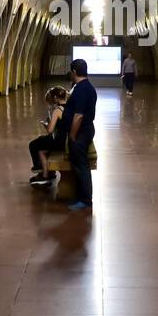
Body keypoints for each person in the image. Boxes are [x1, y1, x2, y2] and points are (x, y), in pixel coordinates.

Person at [60, 58, 97, 211]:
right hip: (84, 130)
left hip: (80, 133)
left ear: (74, 71)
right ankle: (81, 196)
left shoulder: (82, 89)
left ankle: (85, 200)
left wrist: (73, 136)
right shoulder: (86, 86)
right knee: (79, 166)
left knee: (82, 167)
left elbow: (78, 116)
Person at [28, 87, 69, 186]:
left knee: (36, 146)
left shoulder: (57, 110)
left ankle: (43, 173)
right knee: (41, 141)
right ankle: (47, 171)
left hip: (59, 141)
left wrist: (46, 124)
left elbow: (50, 130)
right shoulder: (70, 107)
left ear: (55, 98)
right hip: (67, 139)